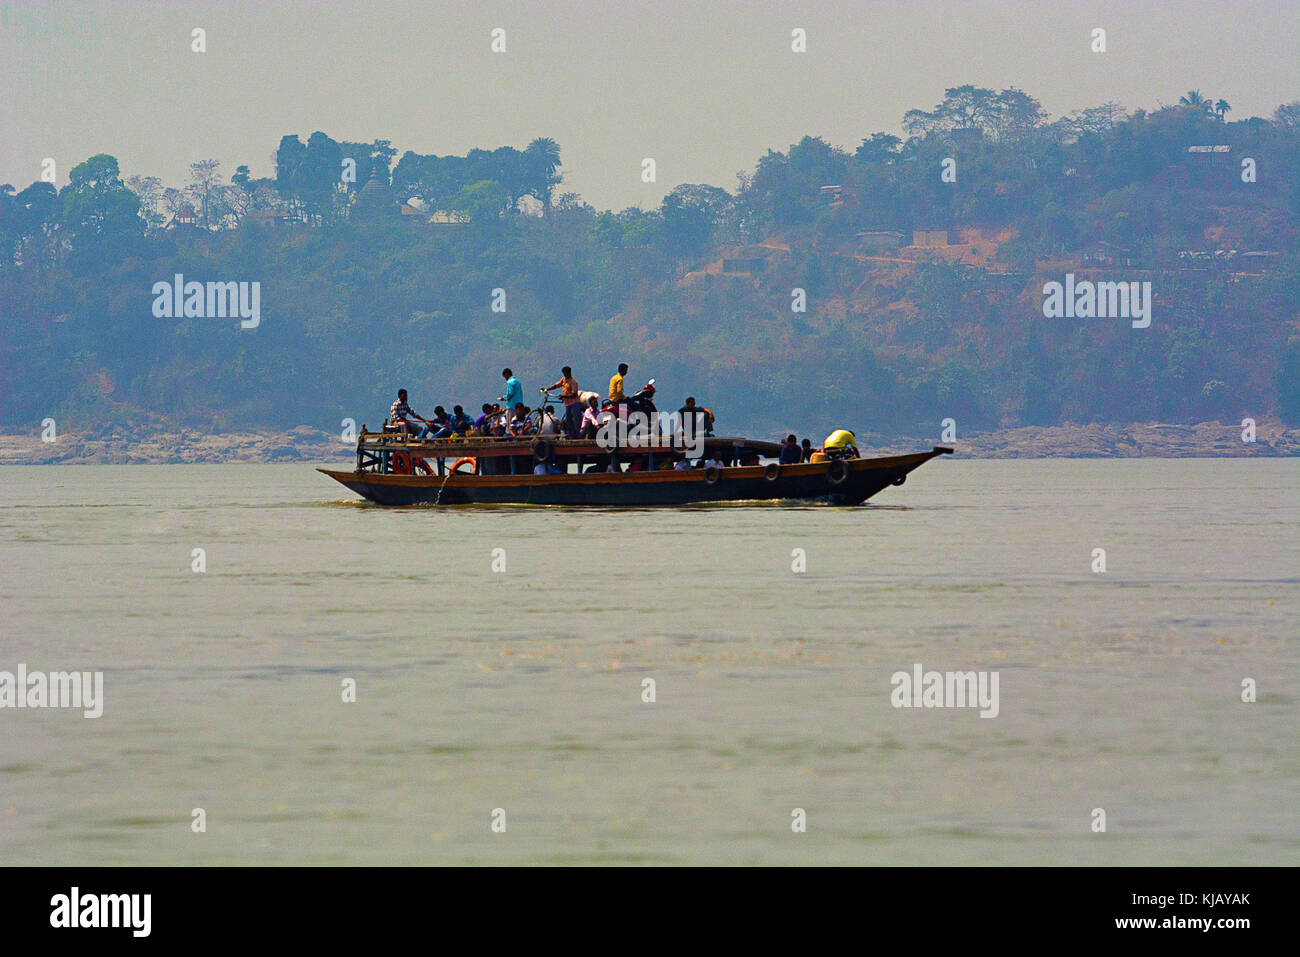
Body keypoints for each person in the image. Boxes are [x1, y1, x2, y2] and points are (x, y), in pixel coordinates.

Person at [546, 366, 583, 439]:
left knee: (576, 420)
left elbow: (574, 395)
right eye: (565, 373)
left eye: (567, 373)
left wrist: (564, 396)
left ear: (570, 372)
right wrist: (547, 389)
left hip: (574, 403)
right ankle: (571, 436)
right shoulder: (563, 380)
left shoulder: (573, 382)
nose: (566, 374)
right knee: (568, 421)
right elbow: (556, 385)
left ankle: (578, 436)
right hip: (567, 404)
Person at [499, 368, 524, 433]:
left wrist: (503, 398)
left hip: (511, 406)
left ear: (506, 375)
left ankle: (513, 438)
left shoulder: (510, 382)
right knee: (519, 424)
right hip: (519, 405)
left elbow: (510, 394)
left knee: (511, 425)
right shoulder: (517, 382)